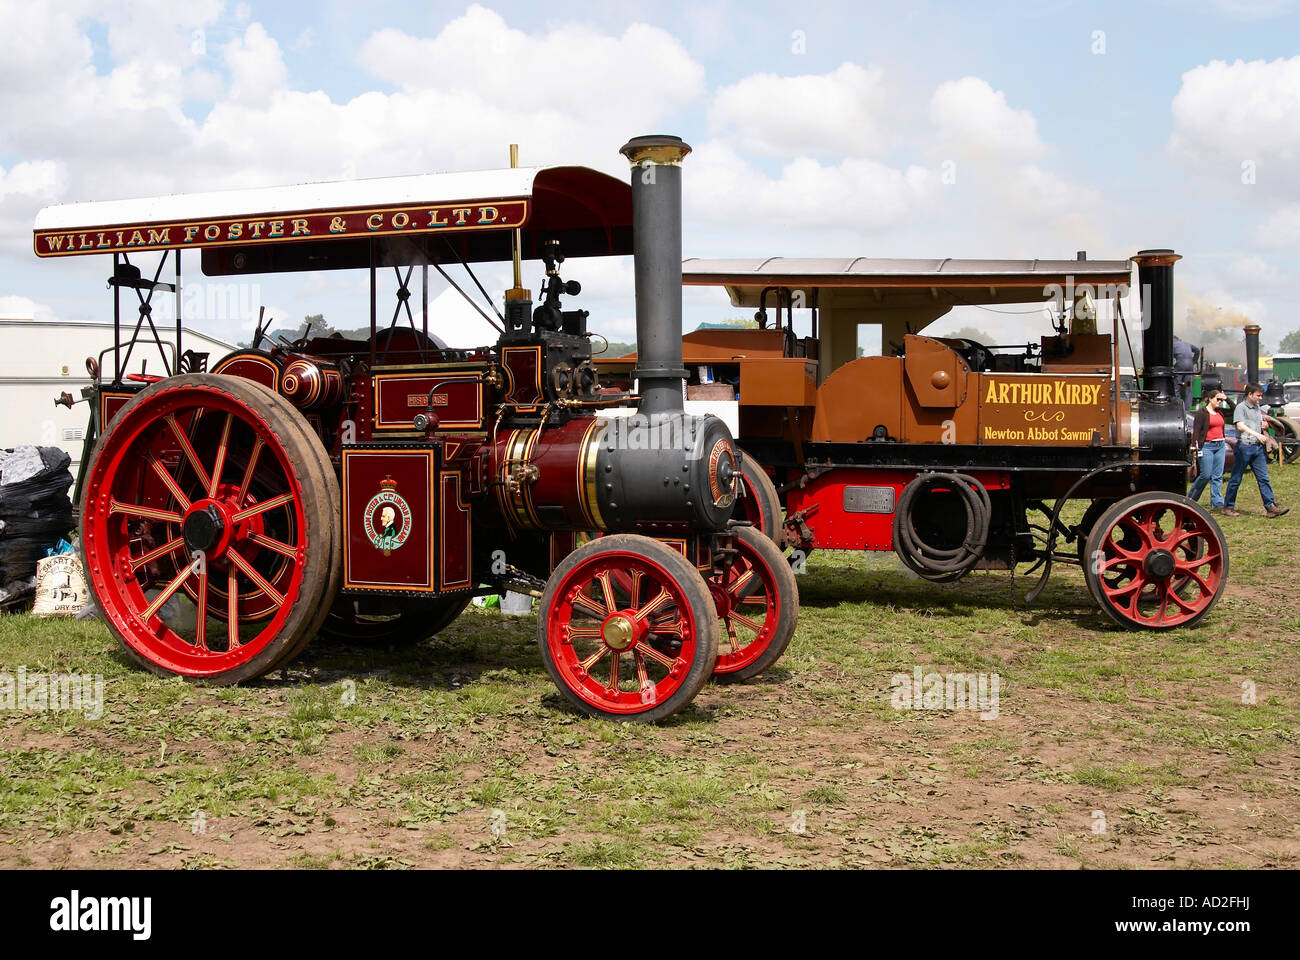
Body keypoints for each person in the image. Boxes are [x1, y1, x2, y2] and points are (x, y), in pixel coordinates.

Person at [1222, 382, 1290, 518]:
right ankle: (1228, 507)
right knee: (1236, 478)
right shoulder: (1241, 408)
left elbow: (1257, 423)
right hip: (1244, 447)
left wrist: (1263, 425)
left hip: (1257, 448)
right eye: (1258, 396)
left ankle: (1270, 507)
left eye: (1261, 396)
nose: (1260, 398)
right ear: (1250, 394)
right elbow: (1240, 426)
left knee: (1264, 478)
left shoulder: (1257, 408)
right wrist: (1257, 434)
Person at [1188, 389, 1228, 509]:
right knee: (1205, 475)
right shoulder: (1202, 413)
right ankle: (1191, 499)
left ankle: (1217, 503)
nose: (1219, 402)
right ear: (1210, 399)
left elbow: (1233, 410)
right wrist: (1194, 447)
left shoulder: (1220, 412)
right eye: (1217, 399)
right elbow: (1197, 430)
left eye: (1221, 400)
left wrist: (1227, 399)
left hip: (1220, 445)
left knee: (1217, 476)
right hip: (1207, 446)